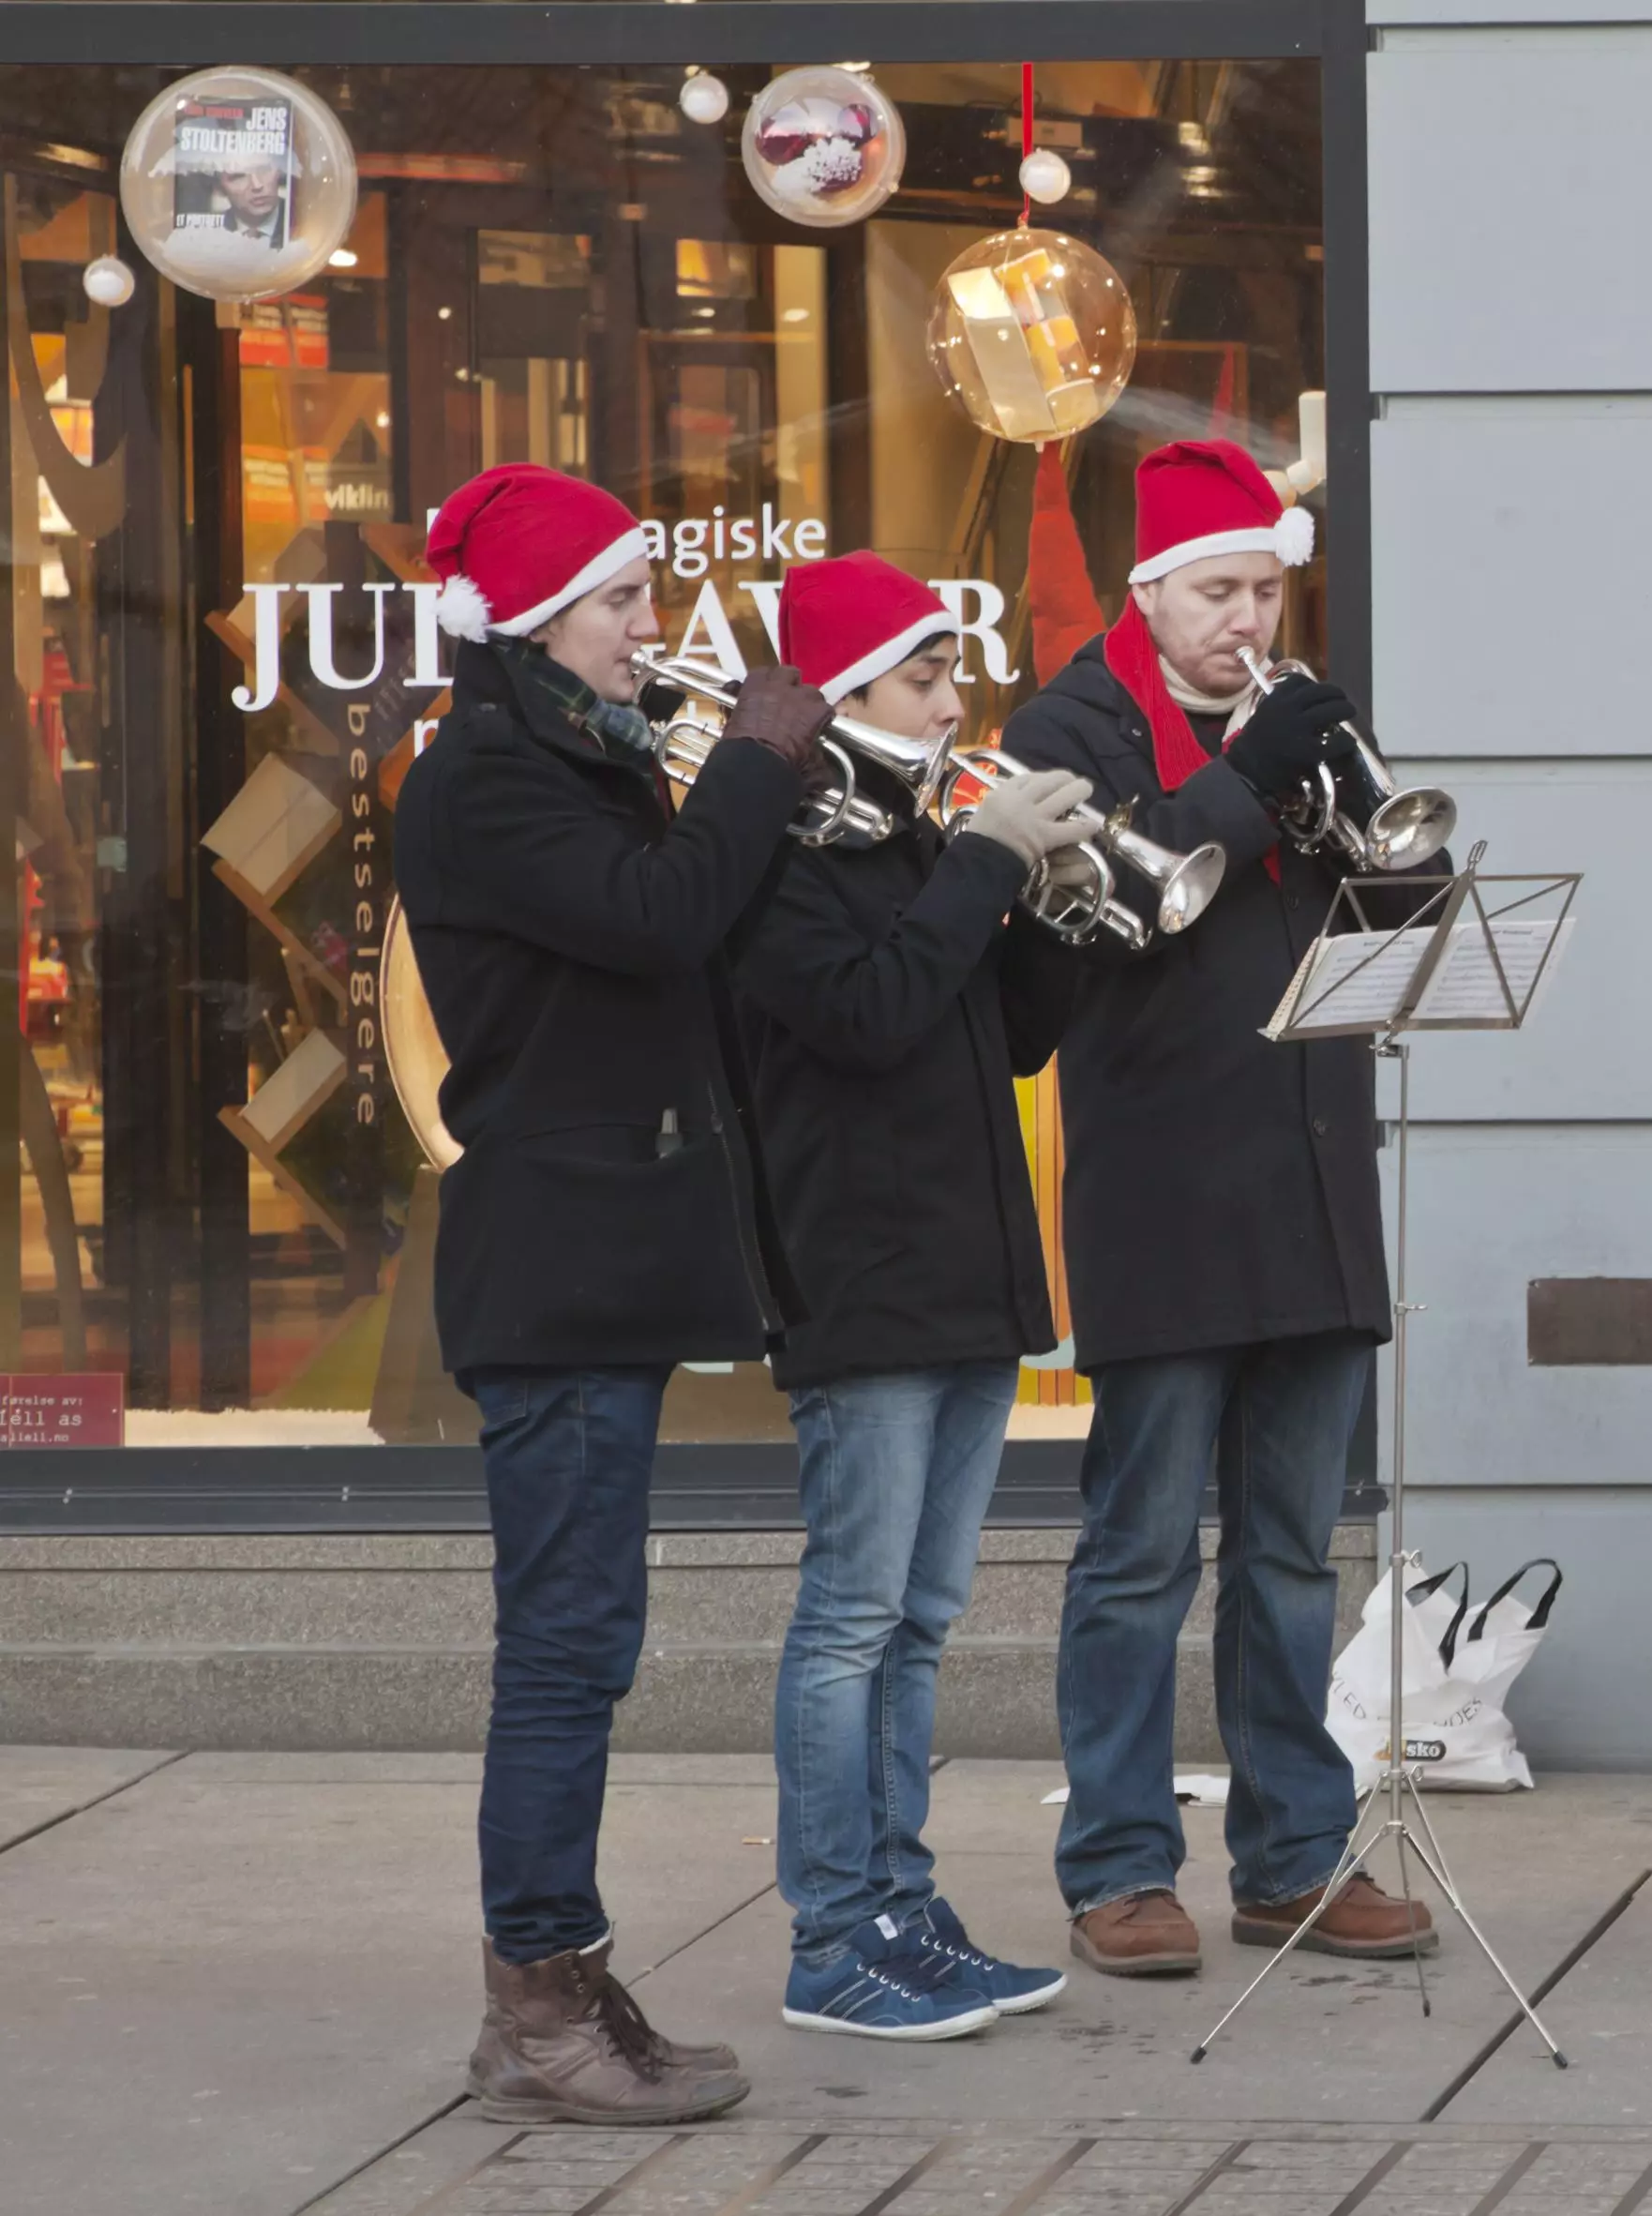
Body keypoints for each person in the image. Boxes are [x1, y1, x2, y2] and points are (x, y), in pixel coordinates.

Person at [394, 463, 834, 2122]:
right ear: (530, 619)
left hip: (606, 1264)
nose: (654, 625)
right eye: (621, 599)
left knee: (591, 1635)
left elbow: (693, 936)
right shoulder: (487, 780)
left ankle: (565, 1975)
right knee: (566, 1644)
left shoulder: (573, 754)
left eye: (646, 593)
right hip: (558, 1268)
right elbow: (661, 918)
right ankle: (535, 1995)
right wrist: (757, 768)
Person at [993, 439, 1448, 1978]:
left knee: (1295, 1550)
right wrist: (1256, 779)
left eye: (1268, 585)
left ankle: (1295, 1856)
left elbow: (1397, 916)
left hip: (1315, 1185)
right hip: (1166, 1187)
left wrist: (1390, 845)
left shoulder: (1294, 720)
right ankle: (1120, 1863)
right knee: (1139, 1548)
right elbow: (1124, 914)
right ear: (1152, 588)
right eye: (1221, 588)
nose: (1250, 616)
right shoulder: (1071, 721)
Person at [730, 554, 1102, 2041]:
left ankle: (903, 1900)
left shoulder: (913, 837)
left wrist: (1062, 911)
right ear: (844, 695)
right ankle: (834, 1931)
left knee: (923, 1618)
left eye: (954, 675)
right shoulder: (780, 854)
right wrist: (986, 865)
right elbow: (871, 1016)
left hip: (965, 1276)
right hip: (863, 1280)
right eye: (926, 679)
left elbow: (1003, 1038)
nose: (958, 705)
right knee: (852, 1616)